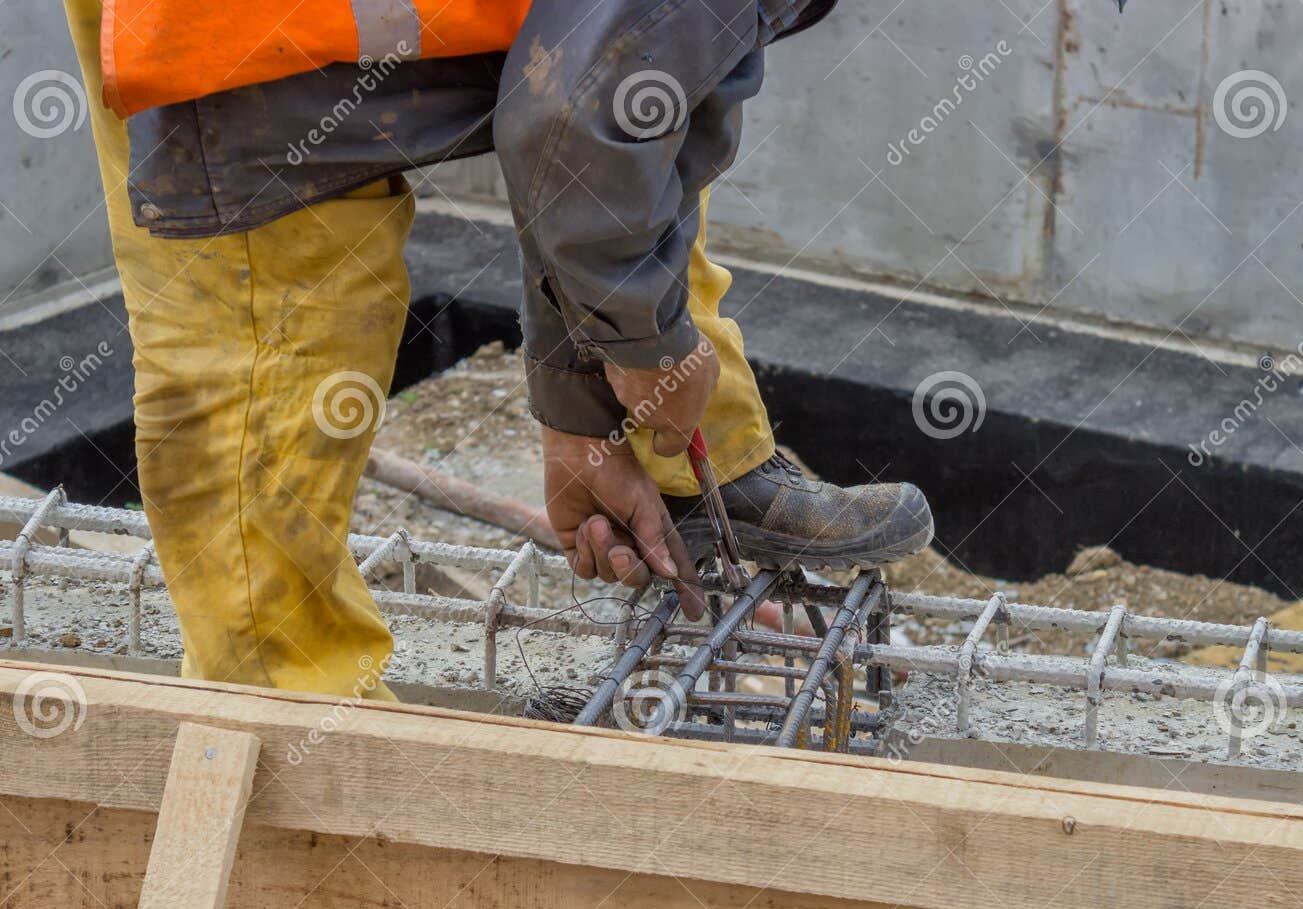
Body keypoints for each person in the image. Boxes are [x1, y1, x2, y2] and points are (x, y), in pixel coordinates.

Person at [60, 0, 934, 699]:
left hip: (412, 30)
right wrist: (641, 348)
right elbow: (572, 117)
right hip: (234, 38)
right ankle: (298, 748)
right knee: (266, 381)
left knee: (641, 133)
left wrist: (585, 410)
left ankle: (703, 475)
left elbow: (612, 114)